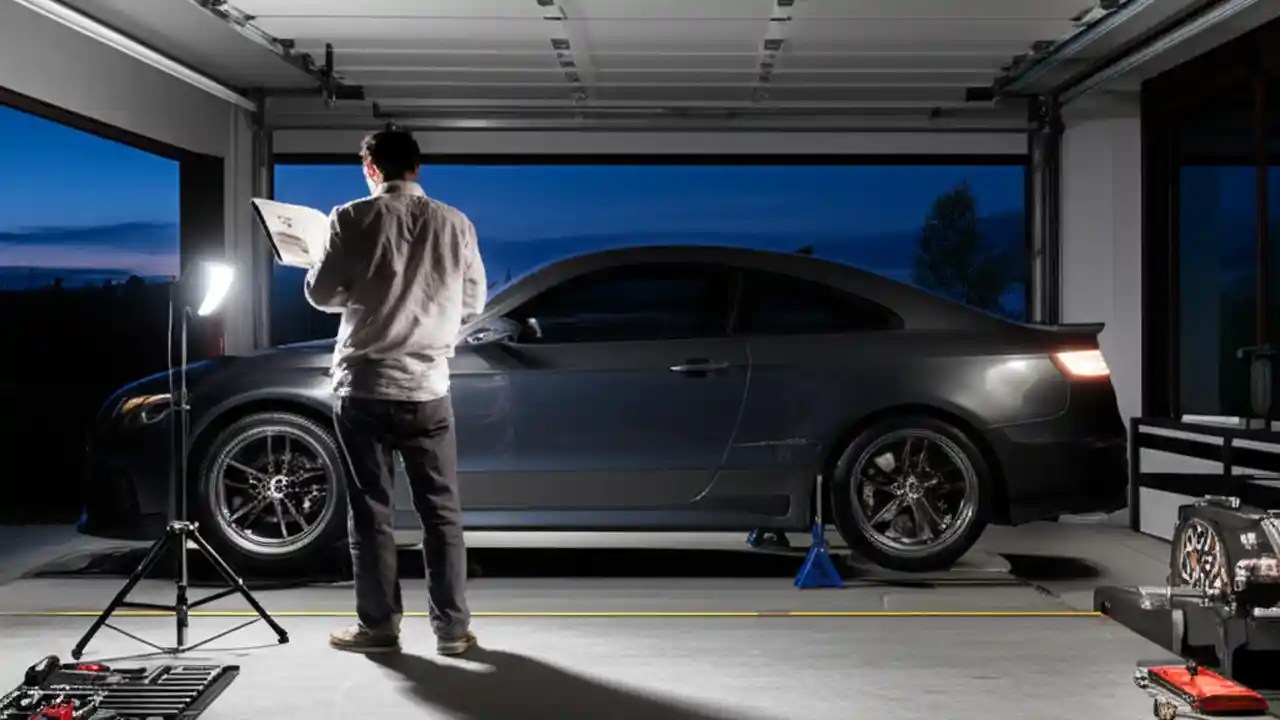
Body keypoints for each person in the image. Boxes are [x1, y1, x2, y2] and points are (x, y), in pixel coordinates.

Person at [304, 127, 486, 655]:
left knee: (371, 513)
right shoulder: (456, 223)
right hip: (428, 388)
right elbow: (473, 303)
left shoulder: (350, 218)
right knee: (442, 514)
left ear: (371, 170)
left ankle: (379, 627)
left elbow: (319, 294)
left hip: (363, 388)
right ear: (417, 168)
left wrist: (356, 290)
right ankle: (452, 631)